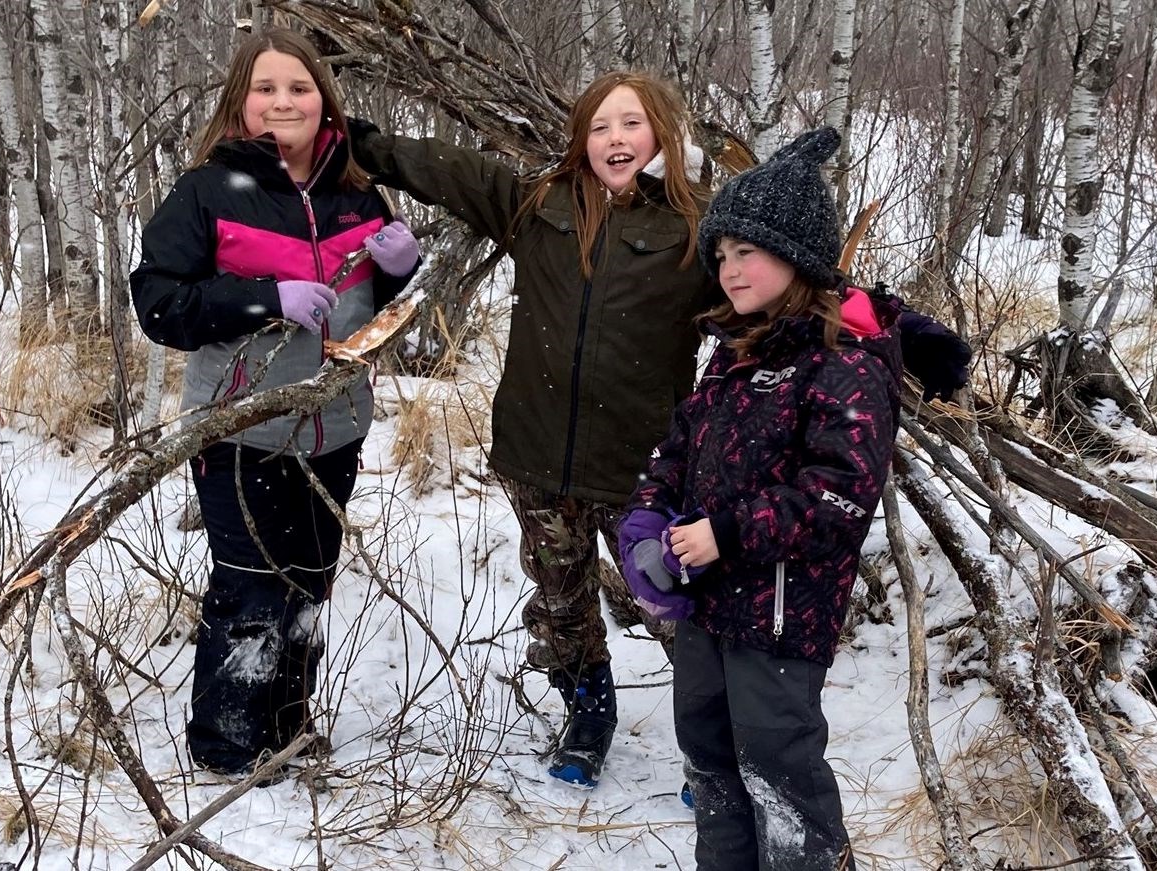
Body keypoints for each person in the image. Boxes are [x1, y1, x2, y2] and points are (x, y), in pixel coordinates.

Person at [347, 71, 715, 788]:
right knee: (559, 597)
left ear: (663, 135)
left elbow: (768, 293)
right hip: (537, 454)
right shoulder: (541, 206)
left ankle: (711, 753)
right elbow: (451, 170)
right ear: (582, 139)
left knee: (675, 609)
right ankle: (588, 711)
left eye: (632, 124)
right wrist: (365, 145)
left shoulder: (697, 228)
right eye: (601, 125)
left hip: (644, 467)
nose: (615, 138)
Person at [129, 27, 421, 779]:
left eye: (299, 86)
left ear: (324, 98)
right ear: (241, 101)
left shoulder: (354, 186)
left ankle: (288, 730)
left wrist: (398, 270)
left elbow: (370, 302)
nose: (283, 101)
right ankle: (228, 749)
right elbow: (159, 302)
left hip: (337, 425)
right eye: (266, 88)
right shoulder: (206, 191)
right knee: (250, 588)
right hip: (241, 430)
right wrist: (265, 298)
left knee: (310, 581)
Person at [618, 128, 896, 870]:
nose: (729, 269)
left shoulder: (844, 361)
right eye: (721, 254)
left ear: (798, 255)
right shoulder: (733, 352)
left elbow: (841, 492)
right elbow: (678, 448)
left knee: (780, 778)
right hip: (708, 612)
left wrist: (729, 533)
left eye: (747, 251)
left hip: (779, 622)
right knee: (709, 763)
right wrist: (648, 519)